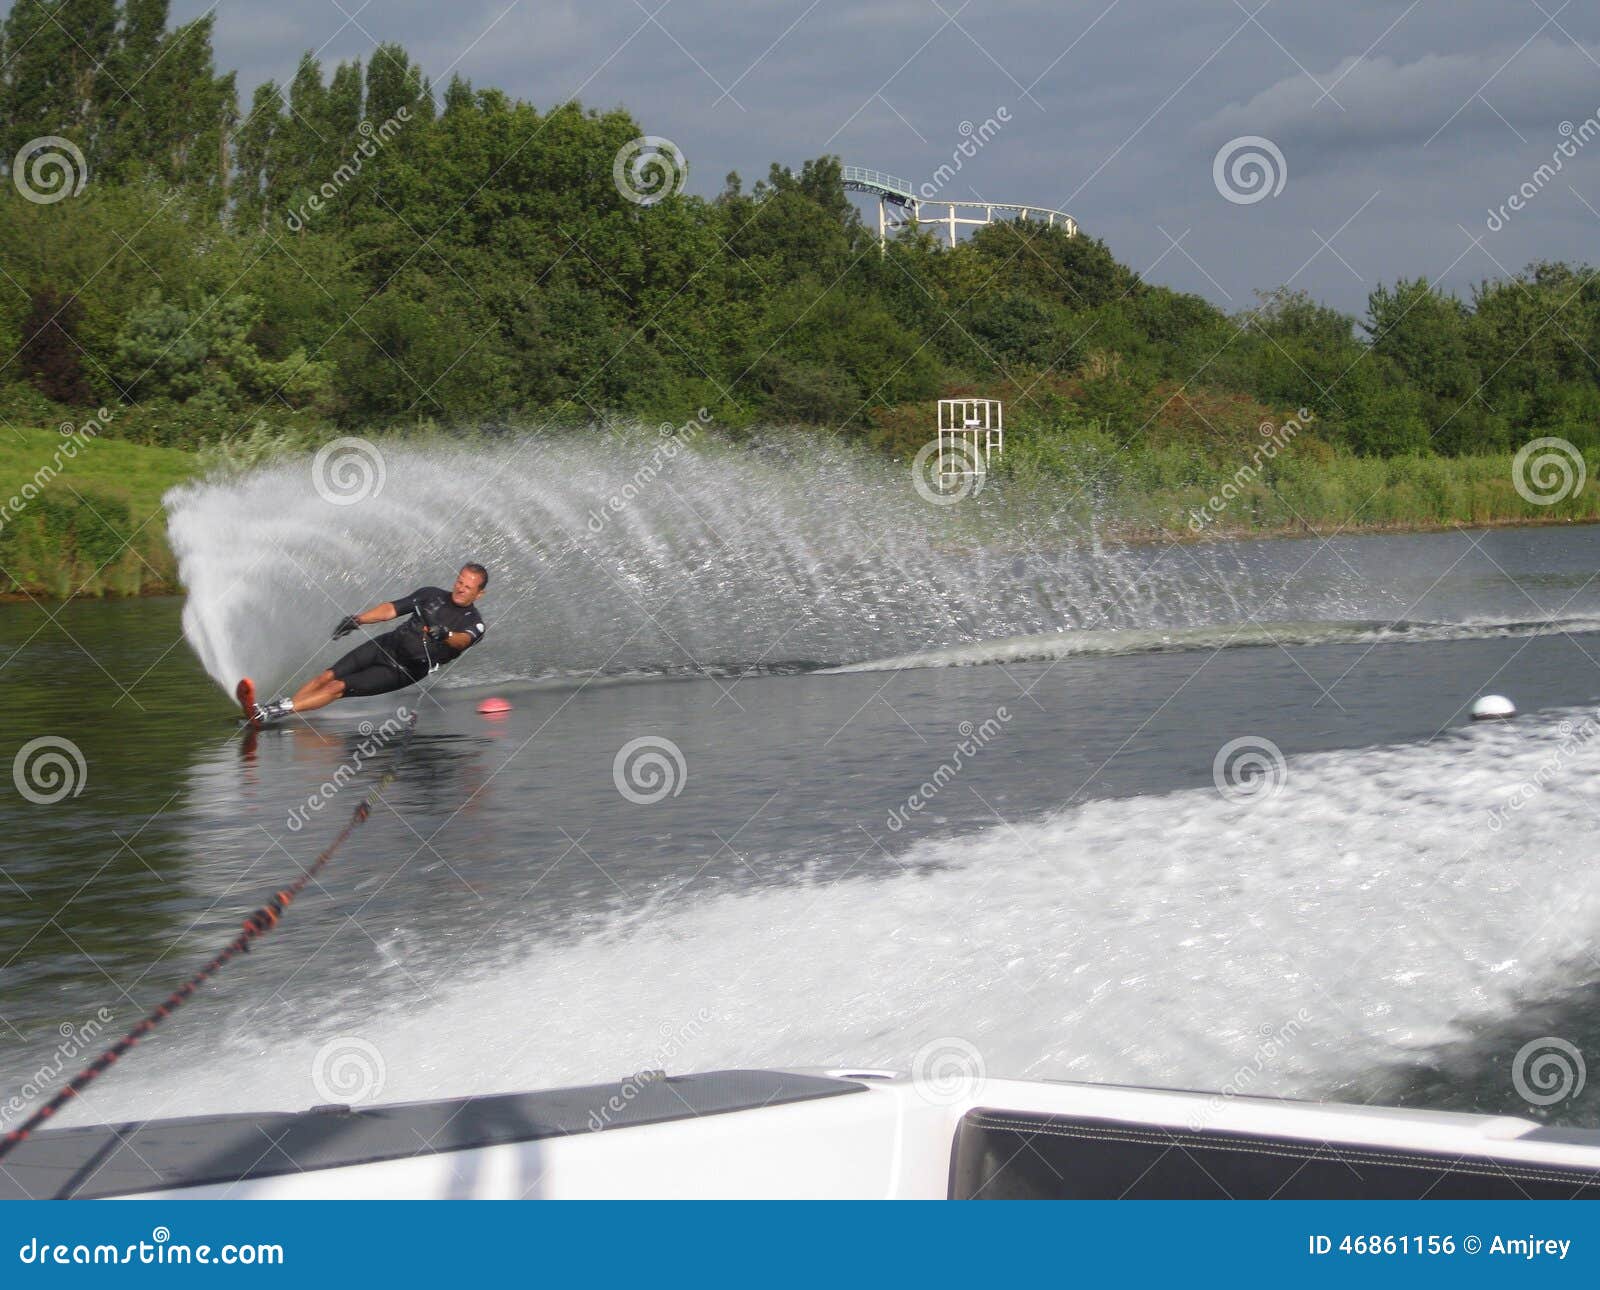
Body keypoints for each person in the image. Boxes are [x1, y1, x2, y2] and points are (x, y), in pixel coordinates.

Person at [249, 563, 489, 724]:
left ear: (479, 594)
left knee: (337, 688)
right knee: (326, 677)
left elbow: (462, 641)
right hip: (385, 645)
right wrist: (359, 620)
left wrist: (444, 635)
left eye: (468, 587)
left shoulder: (474, 622)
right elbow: (391, 609)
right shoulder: (431, 595)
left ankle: (273, 711)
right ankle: (278, 711)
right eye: (459, 582)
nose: (460, 588)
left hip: (403, 670)